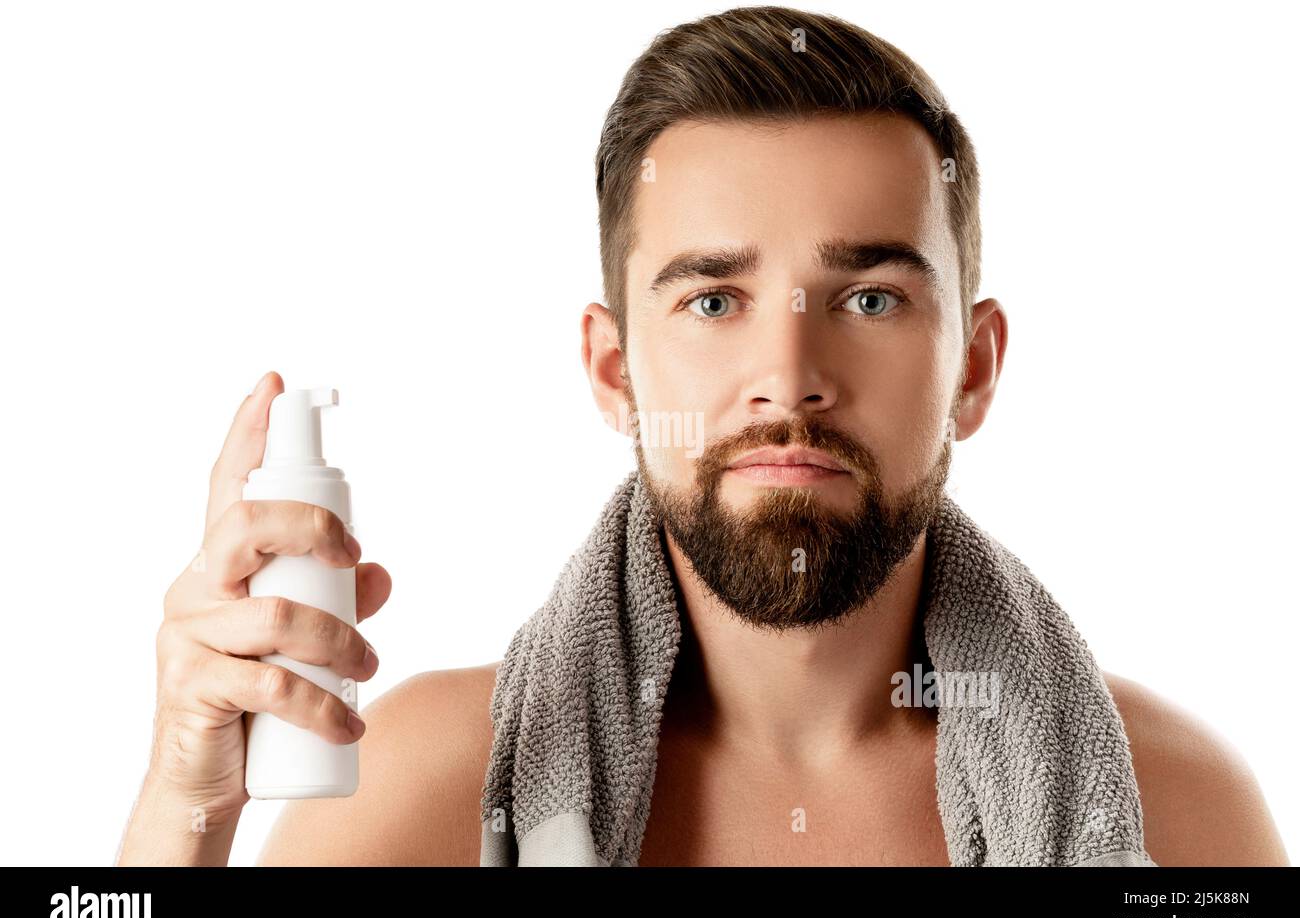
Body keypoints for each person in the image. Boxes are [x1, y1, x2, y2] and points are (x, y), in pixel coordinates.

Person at [116, 6, 1288, 866]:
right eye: (713, 301)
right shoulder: (420, 790)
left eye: (869, 297)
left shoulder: (1173, 817)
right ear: (616, 369)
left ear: (972, 368)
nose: (788, 381)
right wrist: (185, 806)